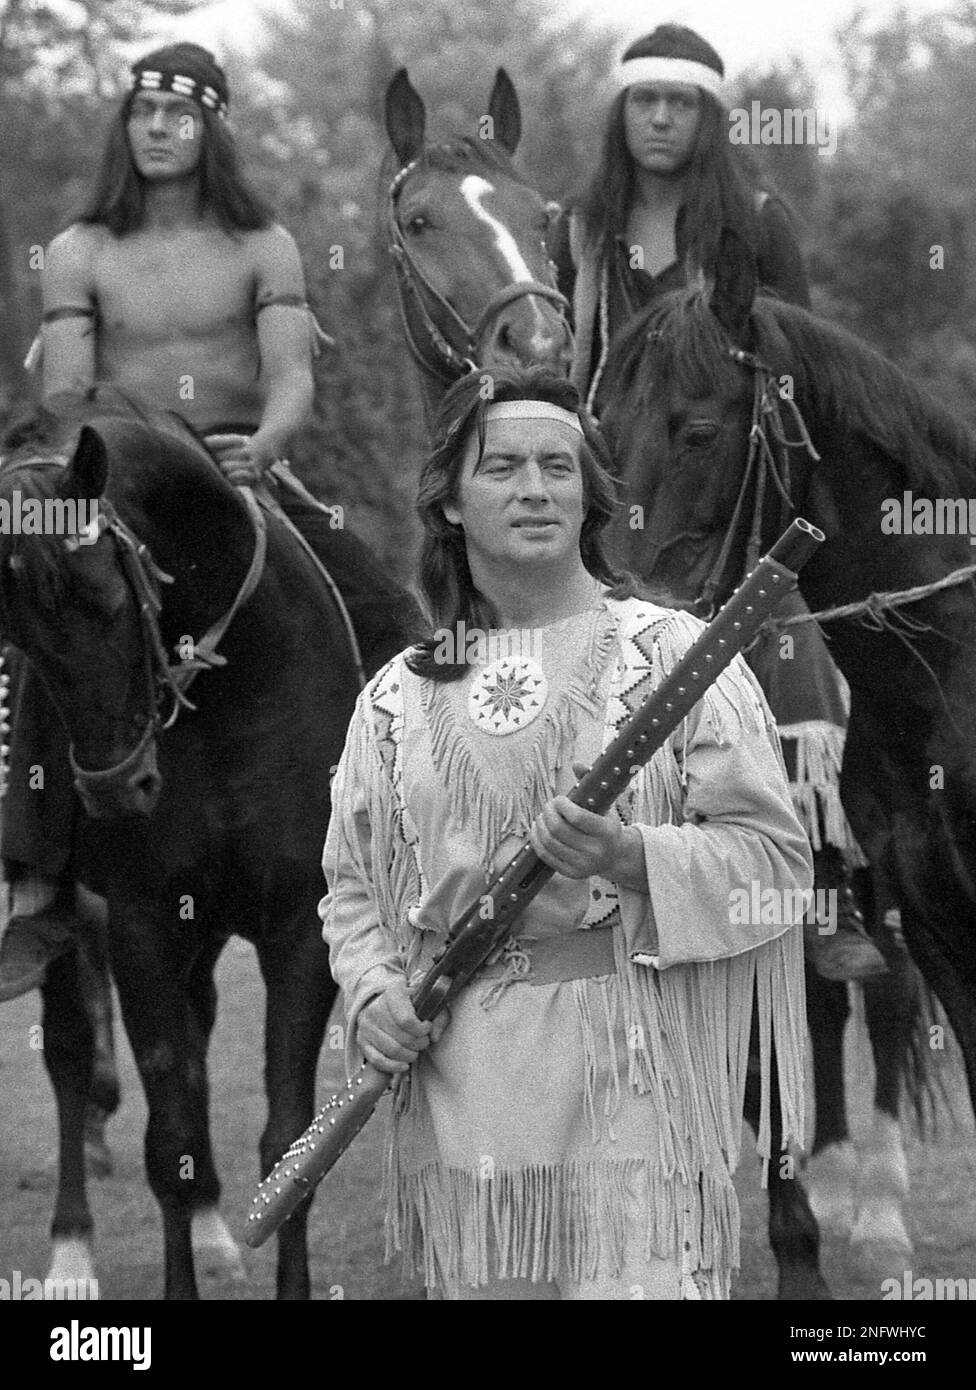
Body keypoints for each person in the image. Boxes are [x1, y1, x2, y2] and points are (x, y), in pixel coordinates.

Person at [320, 364, 812, 1299]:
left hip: (632, 1089)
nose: (535, 488)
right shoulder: (396, 696)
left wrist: (632, 857)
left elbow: (777, 868)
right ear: (451, 503)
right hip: (465, 1102)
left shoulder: (672, 652)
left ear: (591, 496)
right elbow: (351, 887)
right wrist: (377, 991)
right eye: (501, 466)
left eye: (559, 465)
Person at [0, 42, 418, 999]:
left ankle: (405, 849)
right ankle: (39, 885)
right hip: (112, 480)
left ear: (211, 128)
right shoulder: (79, 250)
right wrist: (77, 470)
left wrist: (267, 445)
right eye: (143, 110)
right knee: (39, 633)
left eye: (178, 113)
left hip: (238, 471)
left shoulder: (262, 245)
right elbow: (68, 392)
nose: (156, 128)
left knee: (395, 620)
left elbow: (293, 375)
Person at [550, 24, 886, 982]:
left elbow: (795, 356)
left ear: (709, 113)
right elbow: (573, 359)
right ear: (622, 113)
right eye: (645, 99)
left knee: (794, 633)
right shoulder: (579, 224)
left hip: (731, 479)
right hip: (620, 471)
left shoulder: (758, 221)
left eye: (682, 100)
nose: (661, 117)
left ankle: (826, 890)